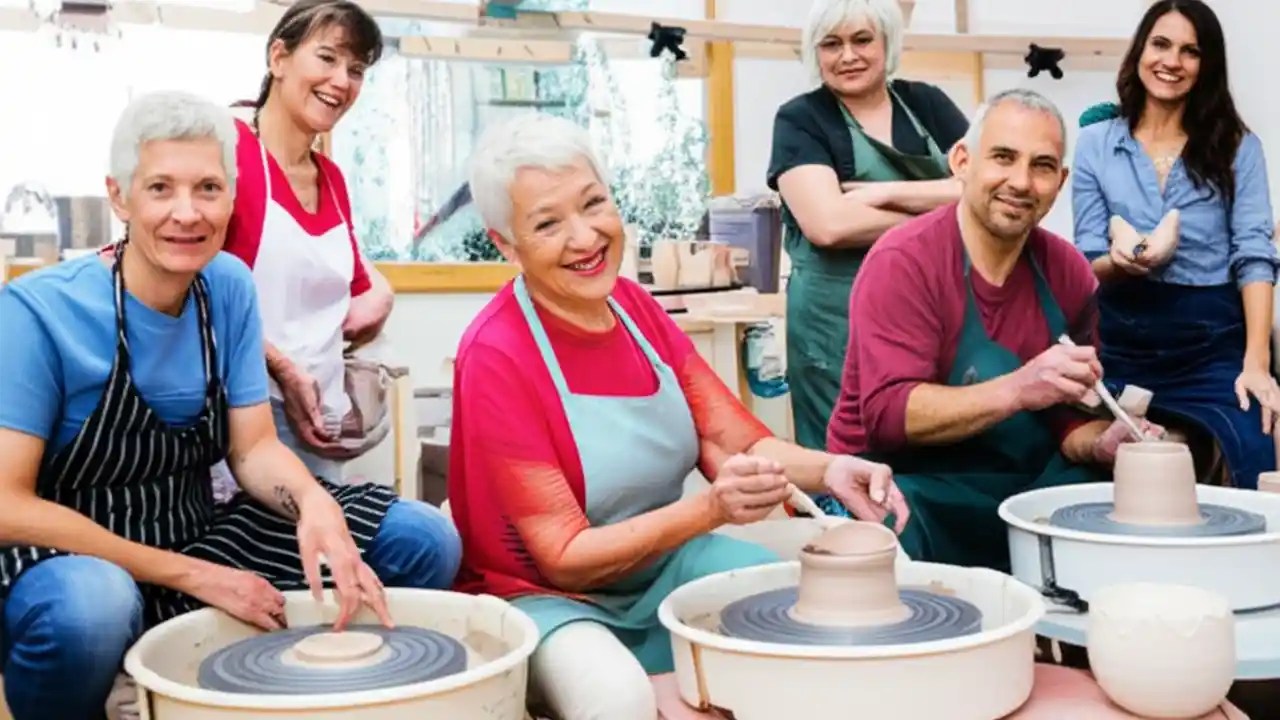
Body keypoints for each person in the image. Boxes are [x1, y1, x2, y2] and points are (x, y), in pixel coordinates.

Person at [0, 91, 461, 720]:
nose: (186, 213)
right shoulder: (37, 312)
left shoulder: (227, 288)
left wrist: (315, 504)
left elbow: (254, 449)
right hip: (72, 558)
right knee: (92, 611)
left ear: (233, 197)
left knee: (423, 537)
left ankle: (331, 698)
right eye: (160, 188)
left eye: (209, 189)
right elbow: (7, 504)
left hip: (197, 533)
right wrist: (191, 578)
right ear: (119, 196)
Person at [448, 112, 911, 720]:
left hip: (665, 565)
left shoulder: (635, 308)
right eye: (548, 224)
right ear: (506, 243)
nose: (585, 238)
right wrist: (710, 510)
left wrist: (833, 469)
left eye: (594, 204)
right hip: (548, 596)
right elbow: (563, 554)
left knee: (806, 612)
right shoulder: (495, 355)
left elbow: (736, 440)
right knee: (617, 700)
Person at [822, 88, 1160, 571]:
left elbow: (1067, 416)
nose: (1020, 182)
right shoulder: (904, 262)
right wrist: (1020, 388)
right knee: (882, 526)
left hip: (1013, 483)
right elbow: (890, 415)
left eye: (1042, 166)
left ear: (1060, 182)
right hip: (903, 482)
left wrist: (1100, 441)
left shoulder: (1067, 272)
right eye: (1003, 157)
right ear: (962, 160)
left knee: (1105, 495)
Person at [1072, 0, 1280, 489]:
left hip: (1211, 341)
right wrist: (1120, 266)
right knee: (1096, 467)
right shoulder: (1096, 142)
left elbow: (1255, 256)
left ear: (1207, 65)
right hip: (1120, 338)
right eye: (1161, 44)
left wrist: (1256, 364)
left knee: (1256, 453)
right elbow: (1084, 264)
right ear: (1140, 51)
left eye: (1191, 51)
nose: (1172, 61)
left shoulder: (1237, 146)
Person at [766, 0, 970, 449]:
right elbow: (829, 224)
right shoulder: (801, 119)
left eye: (862, 40)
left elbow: (982, 188)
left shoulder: (927, 105)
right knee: (843, 460)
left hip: (930, 311)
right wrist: (944, 204)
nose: (848, 56)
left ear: (887, 44)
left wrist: (889, 193)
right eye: (831, 44)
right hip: (836, 324)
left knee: (931, 440)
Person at [221, 0, 396, 484]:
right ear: (278, 58)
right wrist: (281, 366)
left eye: (356, 69)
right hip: (246, 419)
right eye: (327, 58)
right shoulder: (230, 151)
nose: (342, 80)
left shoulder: (332, 178)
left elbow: (360, 282)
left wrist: (381, 294)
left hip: (323, 424)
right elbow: (193, 296)